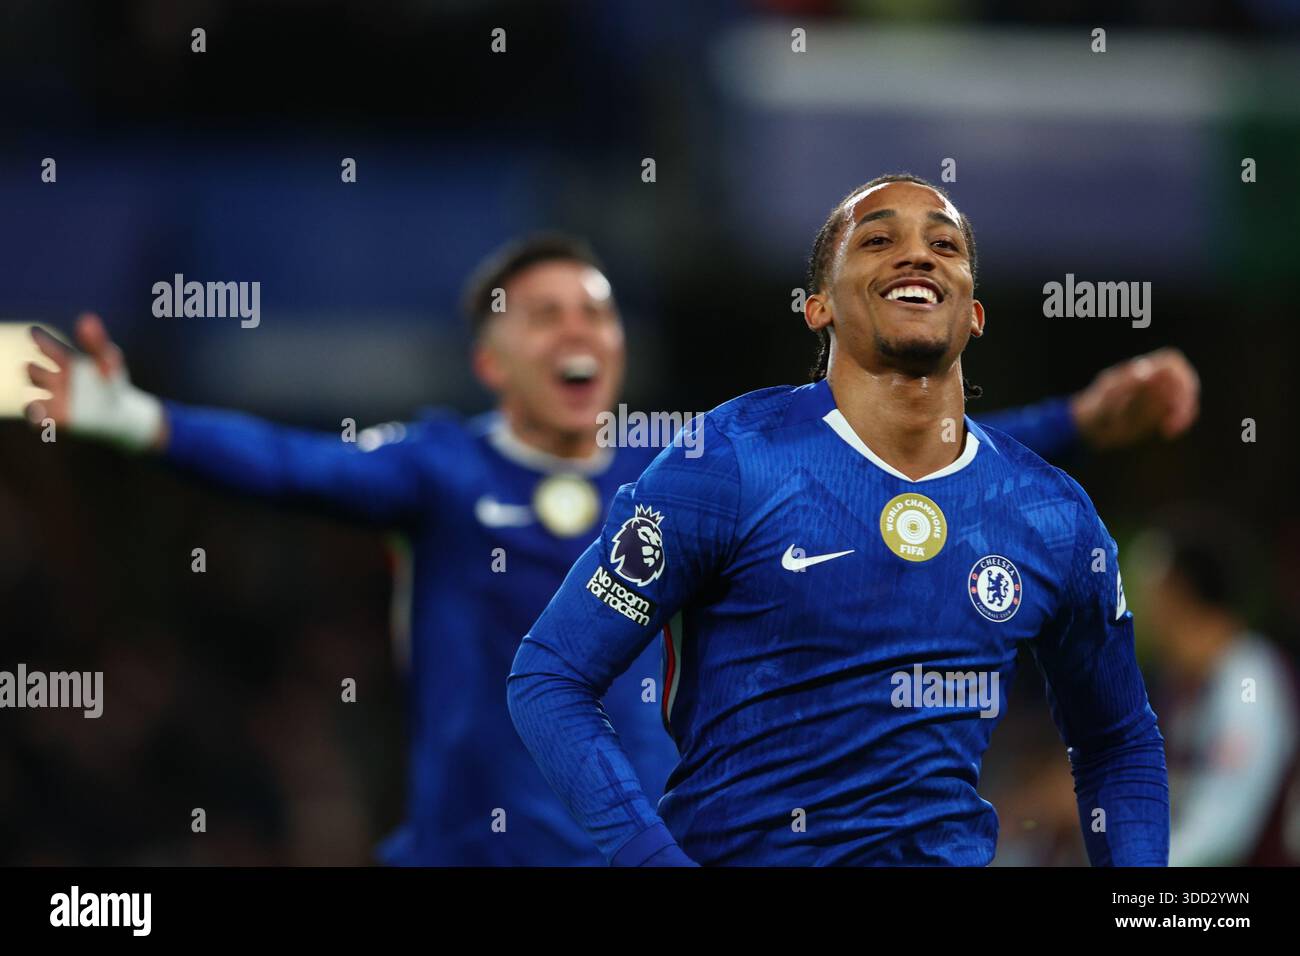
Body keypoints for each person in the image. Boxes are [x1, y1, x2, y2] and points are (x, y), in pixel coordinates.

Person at [27, 228, 1193, 865]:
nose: (580, 328)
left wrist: (1078, 420)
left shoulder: (679, 470)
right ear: (491, 363)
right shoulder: (440, 468)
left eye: (596, 308)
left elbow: (902, 461)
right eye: (544, 313)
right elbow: (287, 465)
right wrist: (130, 415)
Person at [508, 175, 1173, 866]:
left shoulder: (1051, 515)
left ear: (974, 312)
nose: (917, 255)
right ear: (817, 306)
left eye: (943, 244)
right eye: (879, 239)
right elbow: (550, 675)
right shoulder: (728, 462)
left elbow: (1117, 740)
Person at [1135, 512, 1300, 866]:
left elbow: (1225, 820)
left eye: (1147, 595)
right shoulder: (1181, 685)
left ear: (1176, 594)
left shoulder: (1249, 680)